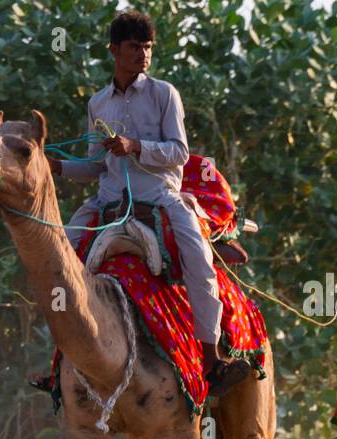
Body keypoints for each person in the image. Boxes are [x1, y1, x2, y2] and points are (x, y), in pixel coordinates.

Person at [50, 10, 249, 398]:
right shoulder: (98, 103)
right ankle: (60, 364)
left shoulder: (164, 94)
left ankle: (211, 359)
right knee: (58, 265)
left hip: (160, 199)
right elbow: (94, 165)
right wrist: (53, 166)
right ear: (114, 50)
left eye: (147, 48)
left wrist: (135, 146)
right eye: (133, 47)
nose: (143, 55)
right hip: (108, 202)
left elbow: (179, 152)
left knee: (199, 262)